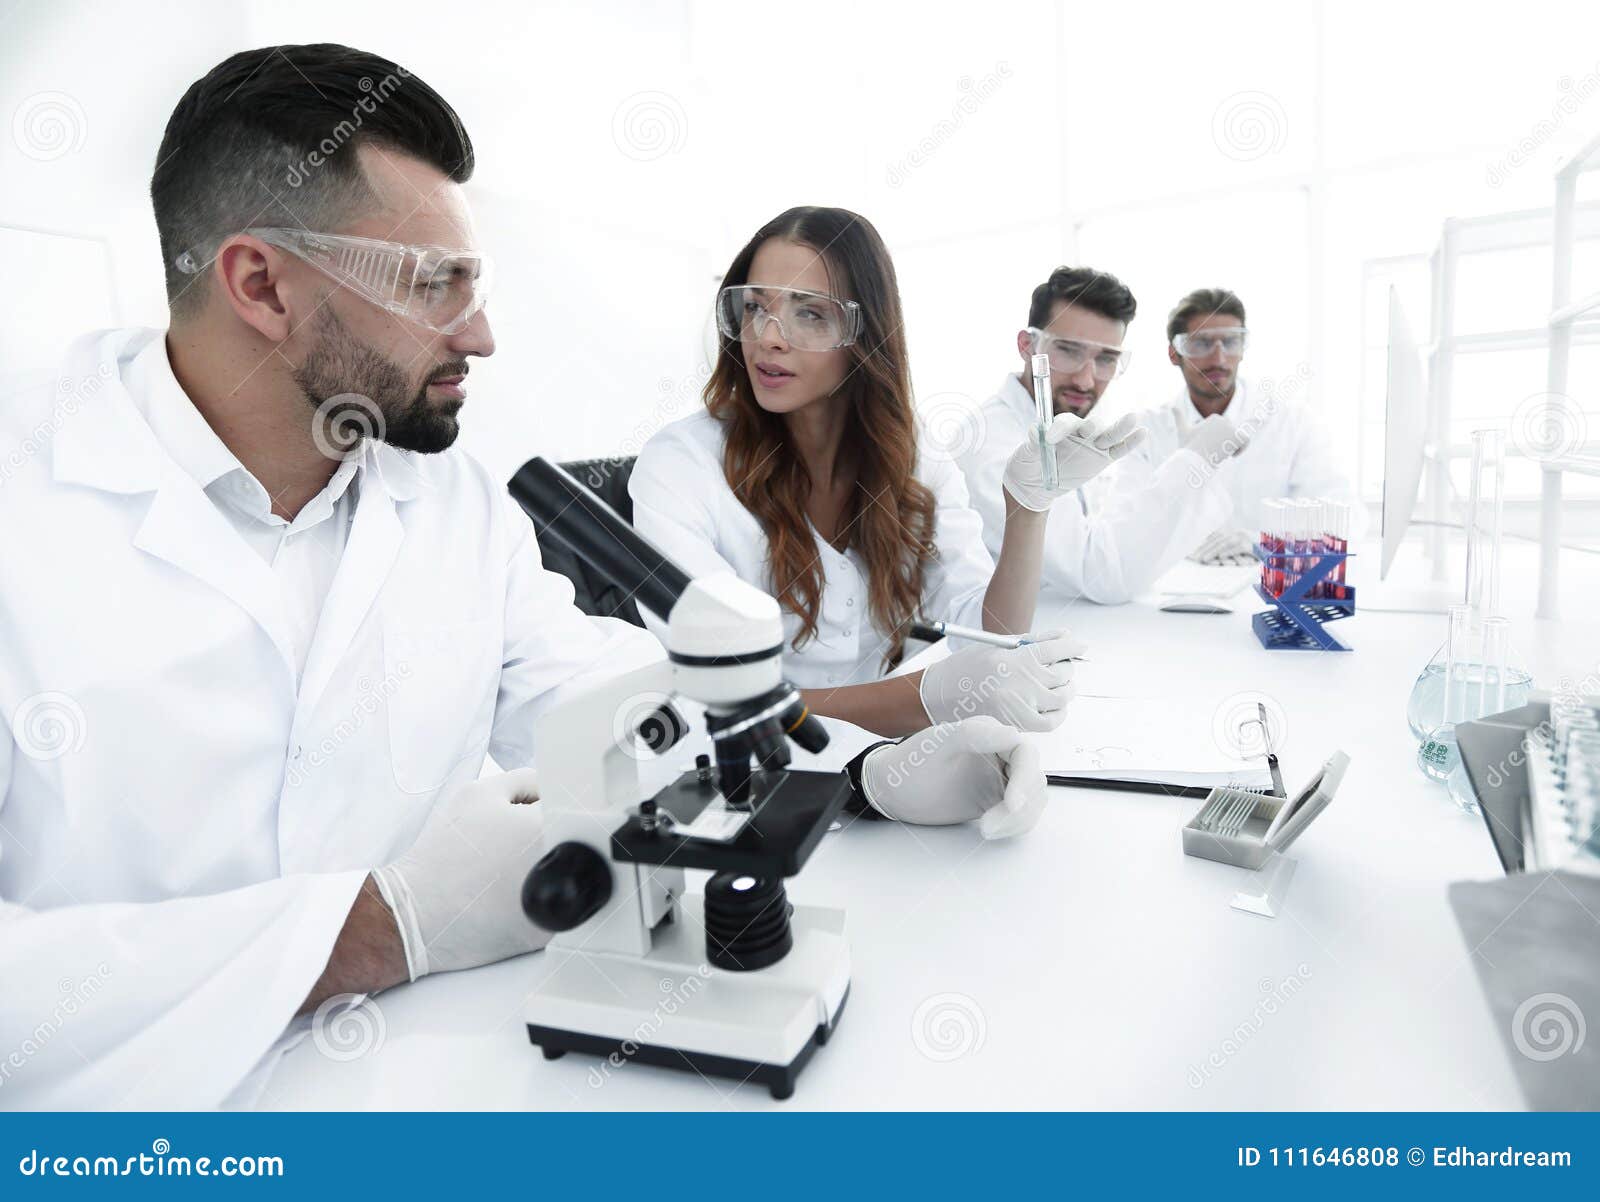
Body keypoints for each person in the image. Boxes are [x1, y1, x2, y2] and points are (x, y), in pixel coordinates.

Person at [0, 49, 1056, 1108]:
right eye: (434, 284)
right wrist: (379, 929)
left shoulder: (452, 503)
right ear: (262, 284)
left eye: (478, 282)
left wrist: (865, 775)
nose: (483, 332)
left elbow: (637, 704)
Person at [629, 208, 1138, 738]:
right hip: (742, 779)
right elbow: (728, 698)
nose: (768, 337)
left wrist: (1028, 511)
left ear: (865, 331)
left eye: (809, 314)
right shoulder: (680, 466)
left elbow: (990, 631)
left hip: (877, 760)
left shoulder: (912, 454)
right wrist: (932, 697)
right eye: (755, 307)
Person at [956, 267, 1244, 603]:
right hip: (996, 645)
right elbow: (1101, 575)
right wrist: (1195, 462)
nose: (1085, 380)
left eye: (1106, 358)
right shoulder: (991, 443)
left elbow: (1106, 535)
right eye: (1068, 350)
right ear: (1026, 345)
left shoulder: (1062, 425)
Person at [1133, 287, 1359, 561]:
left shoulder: (1291, 422)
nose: (1219, 358)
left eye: (1231, 342)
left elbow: (1345, 516)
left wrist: (1266, 543)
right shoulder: (1148, 430)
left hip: (1265, 579)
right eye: (1201, 344)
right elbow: (1126, 524)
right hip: (1168, 586)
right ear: (1174, 353)